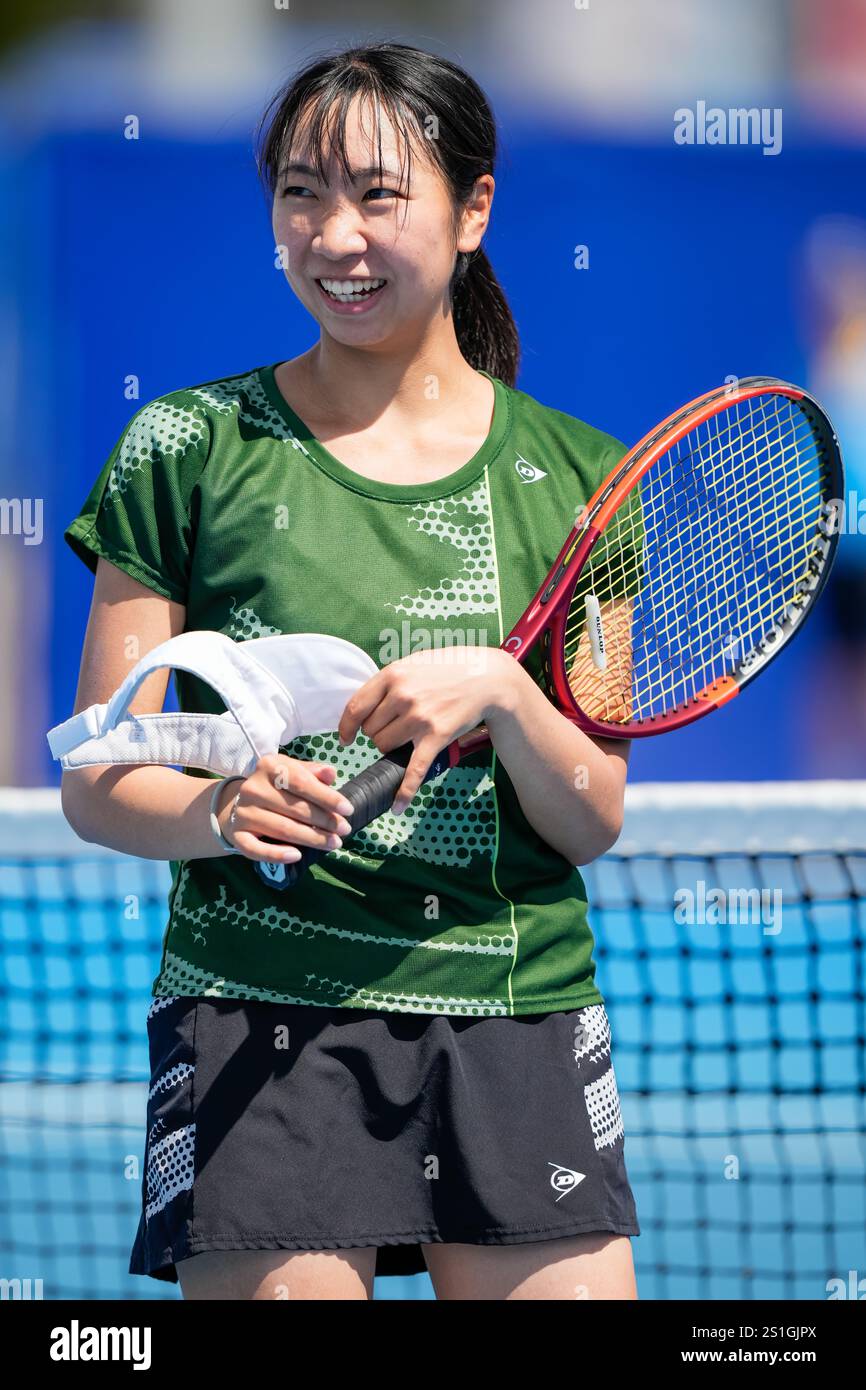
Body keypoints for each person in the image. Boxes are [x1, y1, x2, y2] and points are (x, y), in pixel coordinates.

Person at [60, 41, 639, 1301]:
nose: (335, 237)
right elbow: (98, 776)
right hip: (257, 1016)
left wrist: (506, 694)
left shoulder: (584, 483)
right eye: (300, 194)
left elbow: (589, 813)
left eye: (379, 195)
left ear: (472, 211)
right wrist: (220, 808)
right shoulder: (183, 449)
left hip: (516, 1007)